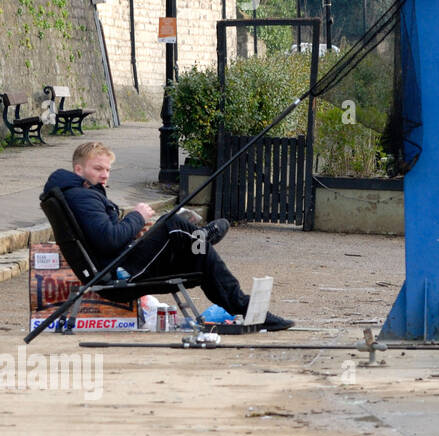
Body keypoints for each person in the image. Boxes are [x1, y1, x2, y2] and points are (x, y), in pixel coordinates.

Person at [43, 141, 293, 331]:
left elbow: (105, 238)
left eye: (107, 169)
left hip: (121, 263)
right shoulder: (82, 197)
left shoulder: (80, 193)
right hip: (118, 274)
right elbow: (109, 239)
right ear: (78, 169)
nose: (105, 175)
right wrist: (137, 216)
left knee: (199, 257)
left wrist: (136, 231)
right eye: (98, 168)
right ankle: (201, 236)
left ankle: (250, 310)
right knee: (172, 222)